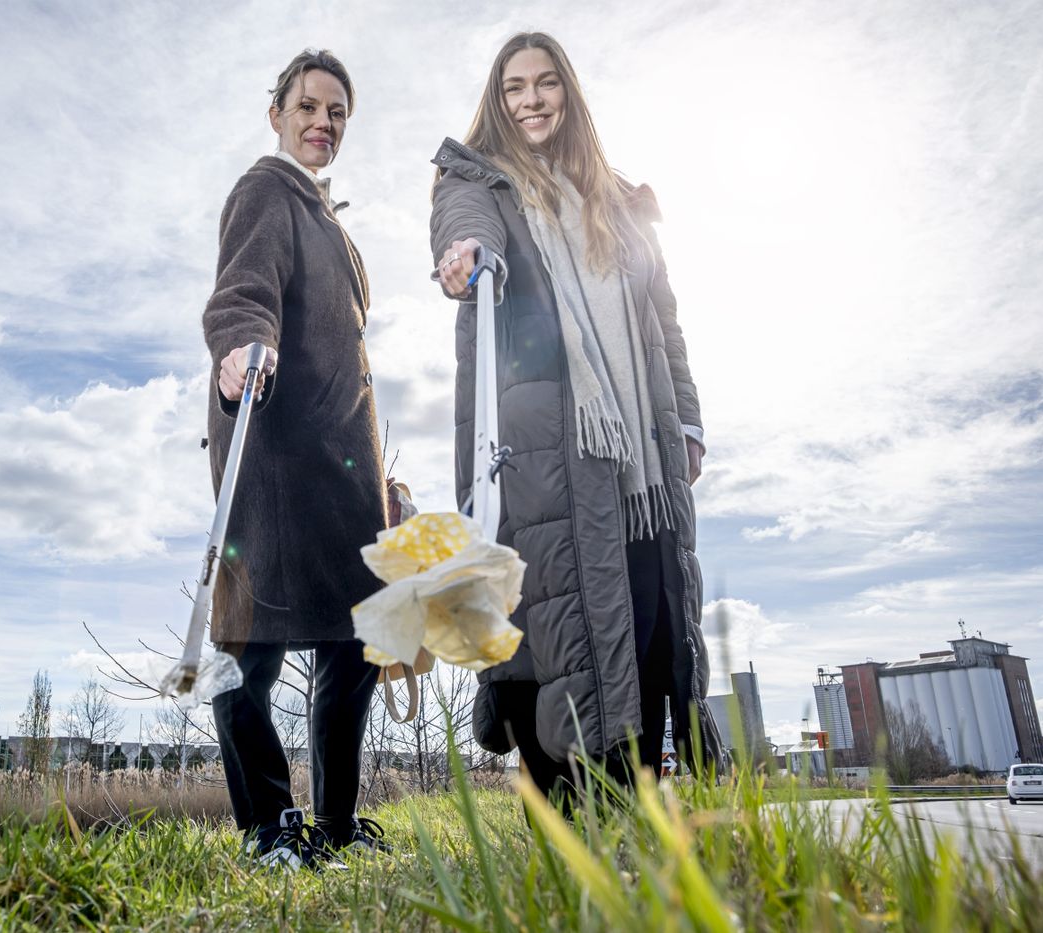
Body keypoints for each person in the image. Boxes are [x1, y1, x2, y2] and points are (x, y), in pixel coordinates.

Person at [429, 32, 721, 802]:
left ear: (568, 93)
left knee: (651, 633)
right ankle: (565, 833)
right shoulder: (479, 182)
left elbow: (666, 321)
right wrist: (464, 255)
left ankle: (636, 824)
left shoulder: (619, 202)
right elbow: (464, 227)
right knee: (553, 627)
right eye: (515, 87)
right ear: (498, 99)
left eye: (546, 83)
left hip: (642, 467)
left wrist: (685, 423)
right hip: (544, 453)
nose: (531, 100)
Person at [203, 48, 389, 869]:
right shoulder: (264, 192)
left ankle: (339, 820)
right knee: (252, 645)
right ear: (277, 113)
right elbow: (244, 291)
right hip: (276, 453)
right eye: (308, 106)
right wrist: (243, 347)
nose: (323, 122)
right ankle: (269, 824)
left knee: (354, 651)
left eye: (337, 113)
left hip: (344, 469)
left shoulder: (334, 228)